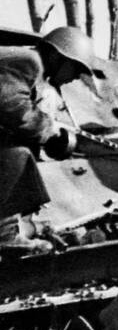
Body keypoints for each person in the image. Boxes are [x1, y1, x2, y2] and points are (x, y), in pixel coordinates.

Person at [0, 27, 98, 218]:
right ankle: (5, 237)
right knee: (15, 155)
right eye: (75, 68)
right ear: (56, 56)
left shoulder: (32, 69)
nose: (76, 77)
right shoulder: (29, 61)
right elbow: (12, 107)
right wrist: (49, 129)